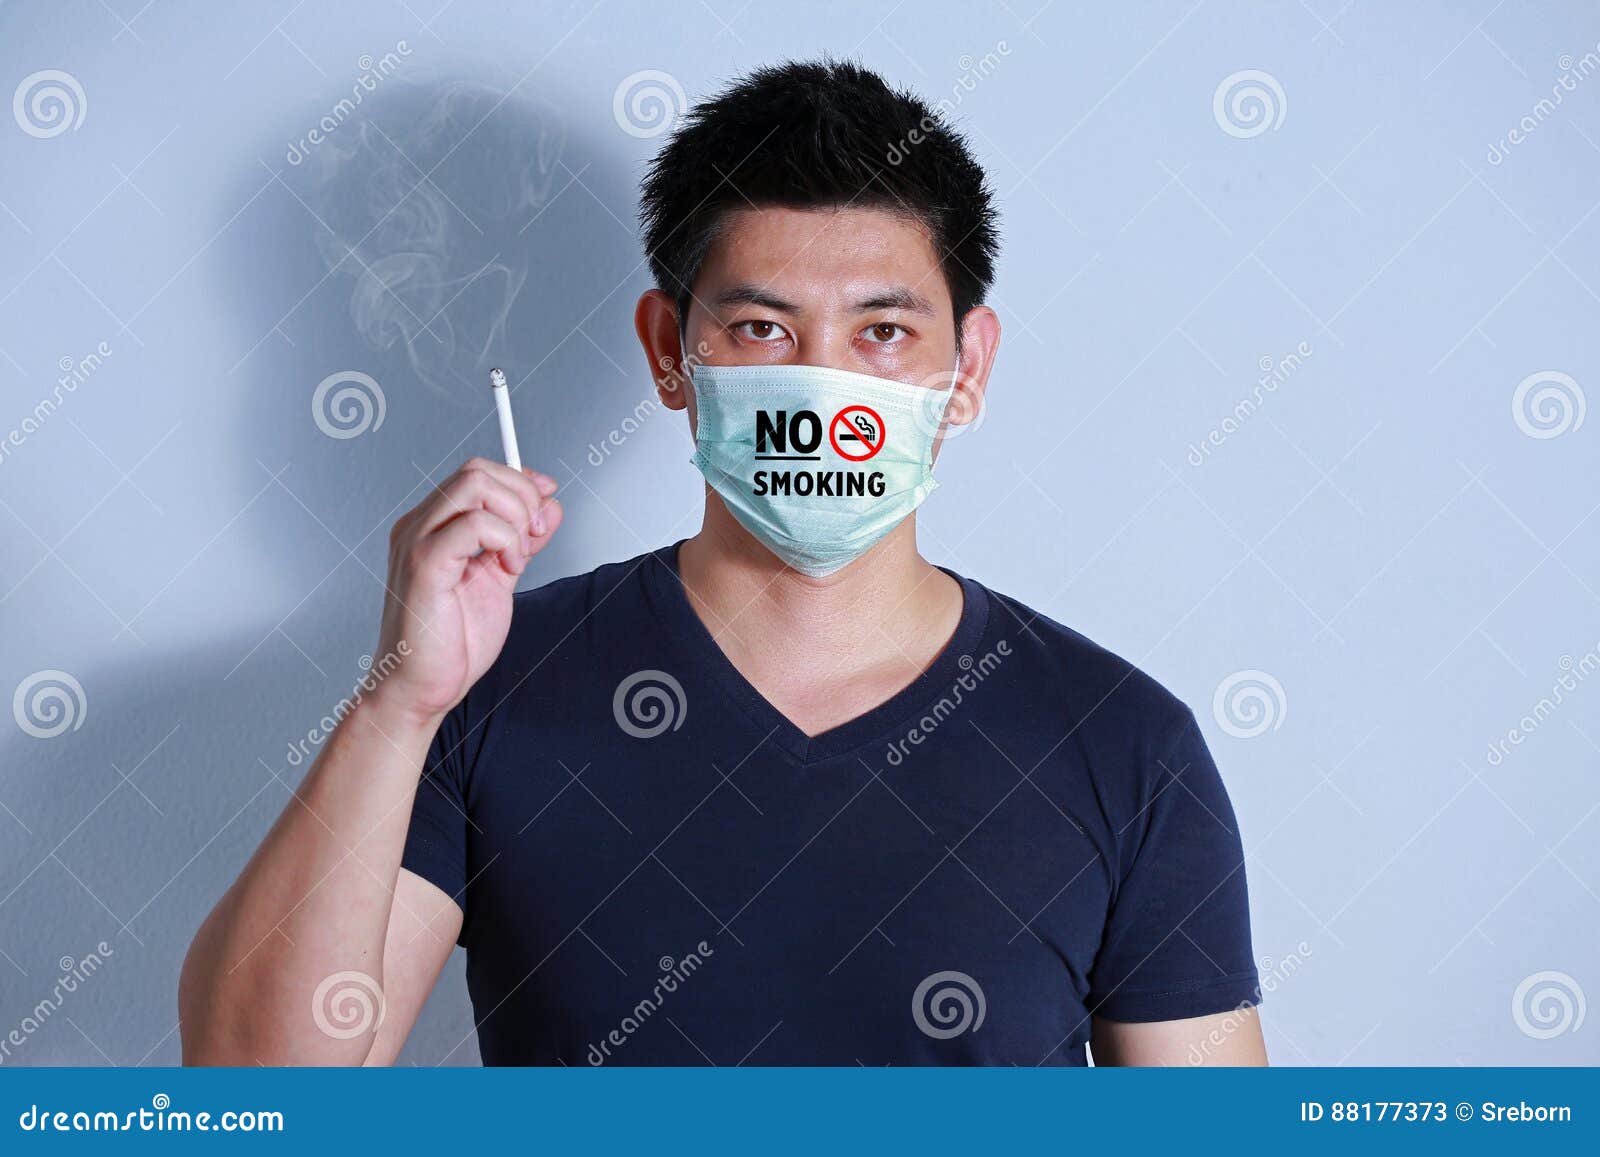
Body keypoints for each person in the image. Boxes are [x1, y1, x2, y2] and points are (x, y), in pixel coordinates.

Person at [180, 59, 1266, 1066]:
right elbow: (251, 1092)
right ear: (669, 351)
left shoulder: (1121, 747)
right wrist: (397, 704)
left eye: (882, 331)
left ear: (966, 366)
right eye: (760, 327)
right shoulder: (488, 687)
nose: (822, 384)